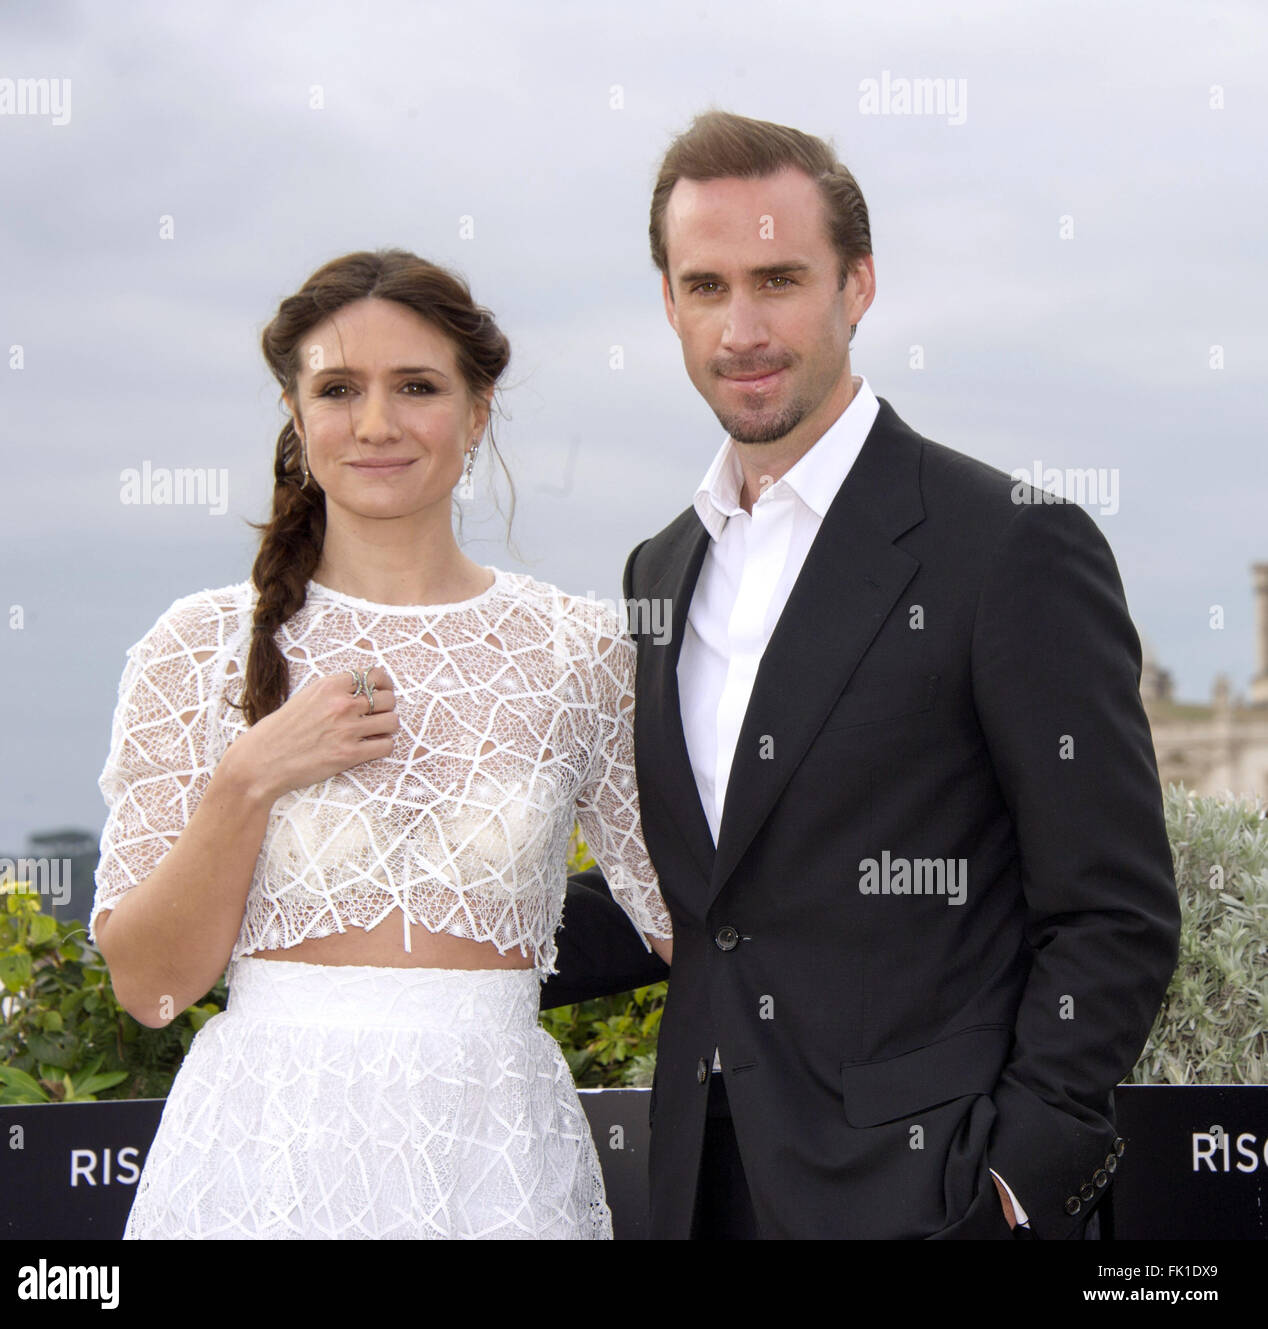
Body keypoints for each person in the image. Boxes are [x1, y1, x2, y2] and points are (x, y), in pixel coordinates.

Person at [542, 110, 1182, 1239]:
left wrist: (1017, 1185)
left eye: (779, 278)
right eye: (705, 286)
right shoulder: (660, 565)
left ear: (858, 285)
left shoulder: (1009, 544)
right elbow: (697, 894)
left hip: (930, 1193)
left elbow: (1113, 911)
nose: (742, 328)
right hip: (702, 1186)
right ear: (668, 304)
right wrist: (355, 929)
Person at [88, 248, 673, 1239]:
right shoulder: (195, 649)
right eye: (338, 389)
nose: (375, 424)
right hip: (259, 1158)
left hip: (494, 1159)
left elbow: (687, 921)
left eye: (416, 387)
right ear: (293, 409)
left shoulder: (580, 651)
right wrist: (249, 778)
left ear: (477, 410)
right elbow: (149, 990)